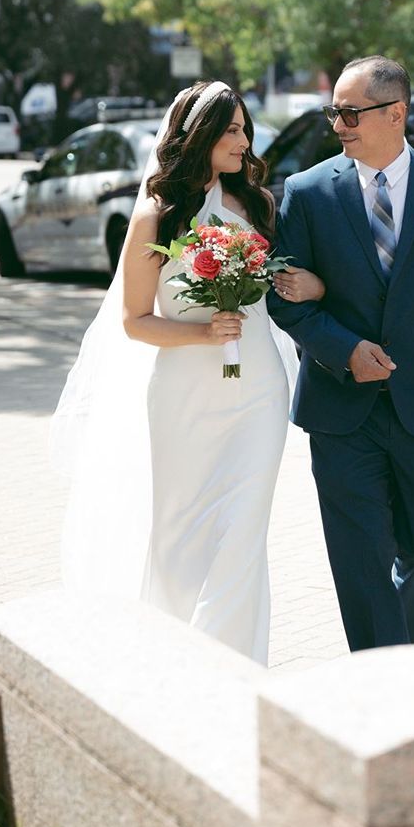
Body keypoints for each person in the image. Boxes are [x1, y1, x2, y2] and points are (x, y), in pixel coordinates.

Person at [52, 81, 322, 664]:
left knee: (243, 534)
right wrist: (203, 333)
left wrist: (313, 286)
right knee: (178, 534)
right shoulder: (156, 217)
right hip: (183, 396)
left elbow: (288, 285)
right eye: (231, 130)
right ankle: (170, 659)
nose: (243, 141)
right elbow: (134, 321)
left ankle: (235, 668)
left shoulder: (257, 205)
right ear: (199, 137)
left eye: (245, 130)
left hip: (259, 391)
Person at [268, 55, 414, 653]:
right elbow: (284, 299)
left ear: (396, 113)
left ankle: (399, 666)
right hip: (342, 412)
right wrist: (345, 351)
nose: (337, 124)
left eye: (350, 113)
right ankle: (383, 683)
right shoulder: (308, 193)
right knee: (360, 559)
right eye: (333, 112)